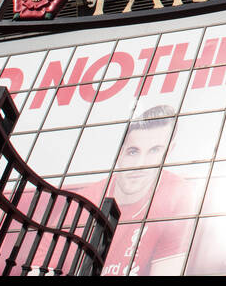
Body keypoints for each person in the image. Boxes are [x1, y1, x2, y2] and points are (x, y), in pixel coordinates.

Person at [68, 104, 196, 276]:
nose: (140, 165)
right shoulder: (83, 202)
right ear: (119, 154)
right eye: (133, 152)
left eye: (154, 151)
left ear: (168, 152)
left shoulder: (178, 195)